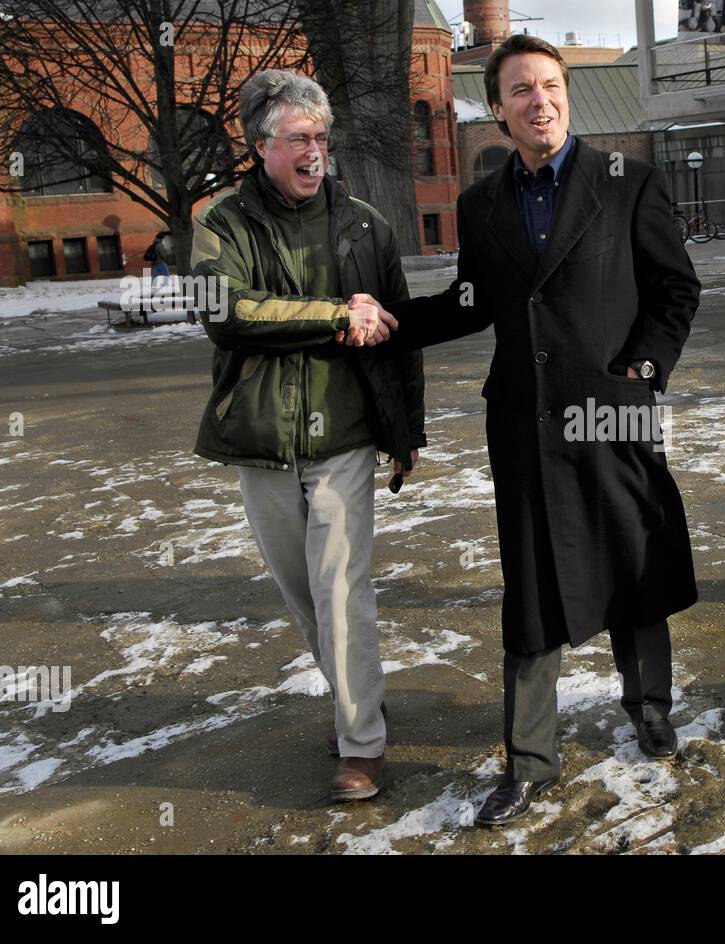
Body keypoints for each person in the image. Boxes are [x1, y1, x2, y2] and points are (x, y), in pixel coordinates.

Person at [362, 36, 700, 826]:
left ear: (566, 95)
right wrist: (394, 324)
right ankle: (531, 758)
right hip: (524, 425)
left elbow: (676, 289)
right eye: (521, 90)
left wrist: (643, 371)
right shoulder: (482, 202)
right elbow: (475, 300)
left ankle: (650, 707)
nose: (538, 100)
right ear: (499, 105)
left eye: (550, 85)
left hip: (611, 413)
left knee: (633, 562)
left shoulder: (628, 184)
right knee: (532, 585)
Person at [189, 69, 426, 802]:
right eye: (298, 138)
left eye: (321, 138)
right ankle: (358, 695)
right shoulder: (218, 223)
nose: (314, 152)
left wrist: (406, 429)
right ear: (260, 145)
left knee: (341, 589)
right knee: (303, 595)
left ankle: (362, 743)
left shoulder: (366, 225)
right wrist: (333, 316)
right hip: (259, 440)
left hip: (343, 438)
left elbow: (398, 334)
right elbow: (220, 312)